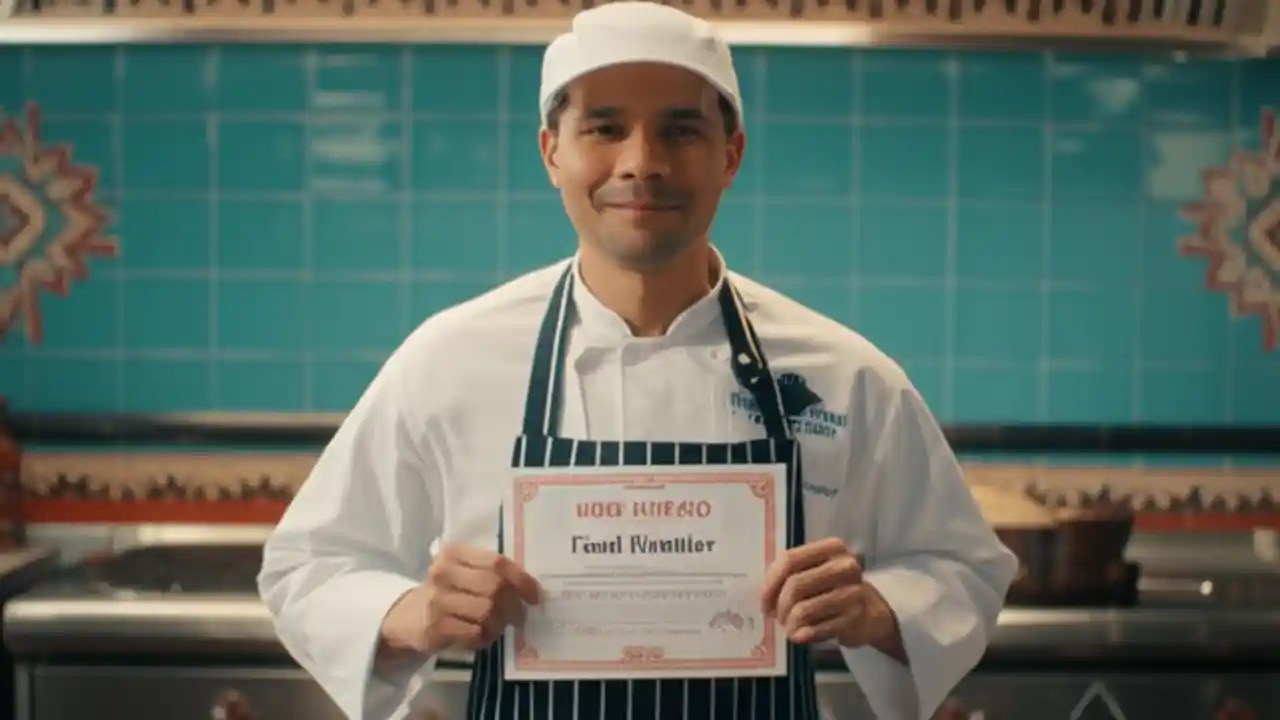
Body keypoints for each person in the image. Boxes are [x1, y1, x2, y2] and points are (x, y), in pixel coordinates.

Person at [257, 3, 1018, 719]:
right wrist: (411, 614)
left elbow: (963, 567)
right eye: (605, 128)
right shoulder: (448, 362)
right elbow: (308, 567)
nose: (641, 162)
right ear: (553, 152)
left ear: (731, 155)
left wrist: (877, 611)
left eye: (681, 131)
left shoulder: (844, 376)